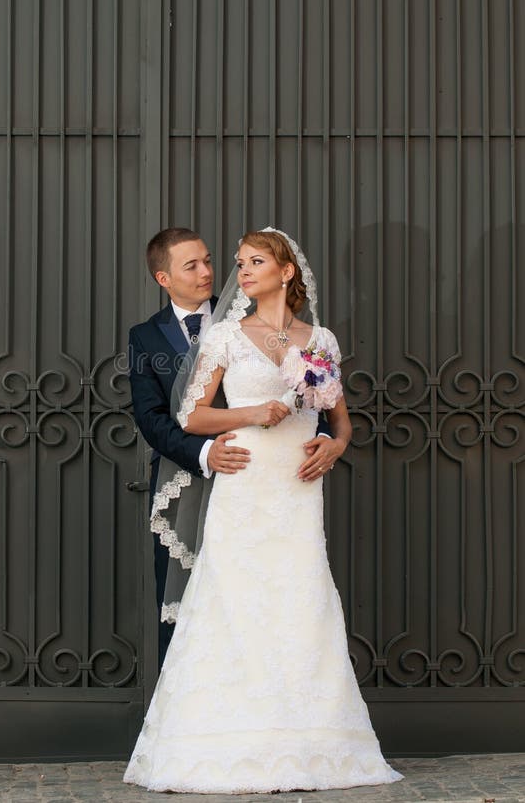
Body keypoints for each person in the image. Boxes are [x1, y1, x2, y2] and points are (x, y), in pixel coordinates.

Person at [124, 228, 402, 793]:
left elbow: (339, 420)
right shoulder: (225, 335)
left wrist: (335, 446)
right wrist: (252, 413)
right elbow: (190, 418)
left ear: (286, 271)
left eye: (252, 262)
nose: (237, 272)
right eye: (239, 263)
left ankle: (309, 747)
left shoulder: (320, 339)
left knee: (301, 605)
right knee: (234, 605)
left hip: (297, 489)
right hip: (244, 483)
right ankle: (221, 744)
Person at [128, 228, 251, 665]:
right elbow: (151, 417)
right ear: (164, 278)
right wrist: (203, 454)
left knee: (244, 598)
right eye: (191, 265)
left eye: (208, 260)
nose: (206, 272)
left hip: (248, 475)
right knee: (181, 605)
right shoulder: (145, 337)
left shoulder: (246, 319)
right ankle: (177, 706)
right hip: (181, 483)